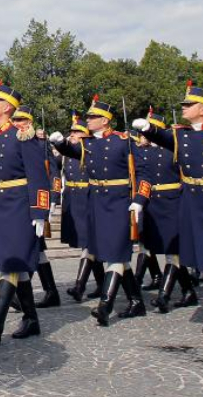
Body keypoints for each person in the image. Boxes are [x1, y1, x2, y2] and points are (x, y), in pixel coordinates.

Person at [133, 84, 203, 346]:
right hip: (194, 205)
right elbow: (163, 138)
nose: (183, 108)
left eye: (188, 105)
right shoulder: (180, 135)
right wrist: (148, 128)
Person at [50, 96, 144, 327]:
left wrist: (139, 199)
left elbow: (142, 171)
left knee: (116, 254)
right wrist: (59, 143)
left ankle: (105, 305)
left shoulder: (124, 141)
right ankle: (136, 301)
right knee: (117, 254)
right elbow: (71, 151)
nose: (88, 120)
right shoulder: (88, 144)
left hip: (119, 201)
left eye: (93, 117)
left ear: (105, 120)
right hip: (96, 202)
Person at [0, 86, 50, 345]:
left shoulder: (22, 135)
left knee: (11, 264)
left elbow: (38, 175)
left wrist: (40, 211)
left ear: (7, 107)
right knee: (16, 266)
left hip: (20, 206)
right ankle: (31, 319)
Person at [133, 110, 191, 312]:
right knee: (162, 248)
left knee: (173, 251)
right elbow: (143, 178)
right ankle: (188, 291)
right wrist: (139, 201)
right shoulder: (144, 152)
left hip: (173, 202)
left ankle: (163, 296)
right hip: (153, 204)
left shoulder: (174, 148)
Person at [11, 105, 60, 308]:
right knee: (37, 249)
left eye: (20, 120)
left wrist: (52, 198)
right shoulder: (12, 140)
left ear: (29, 122)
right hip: (23, 202)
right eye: (14, 120)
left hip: (36, 202)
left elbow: (52, 172)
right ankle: (51, 291)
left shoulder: (39, 142)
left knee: (32, 247)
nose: (16, 123)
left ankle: (17, 292)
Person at [59, 114, 105, 302]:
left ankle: (80, 285)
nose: (72, 134)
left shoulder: (92, 150)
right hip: (72, 198)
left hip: (87, 197)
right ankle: (102, 284)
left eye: (77, 132)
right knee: (86, 242)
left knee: (88, 242)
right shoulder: (66, 153)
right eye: (71, 132)